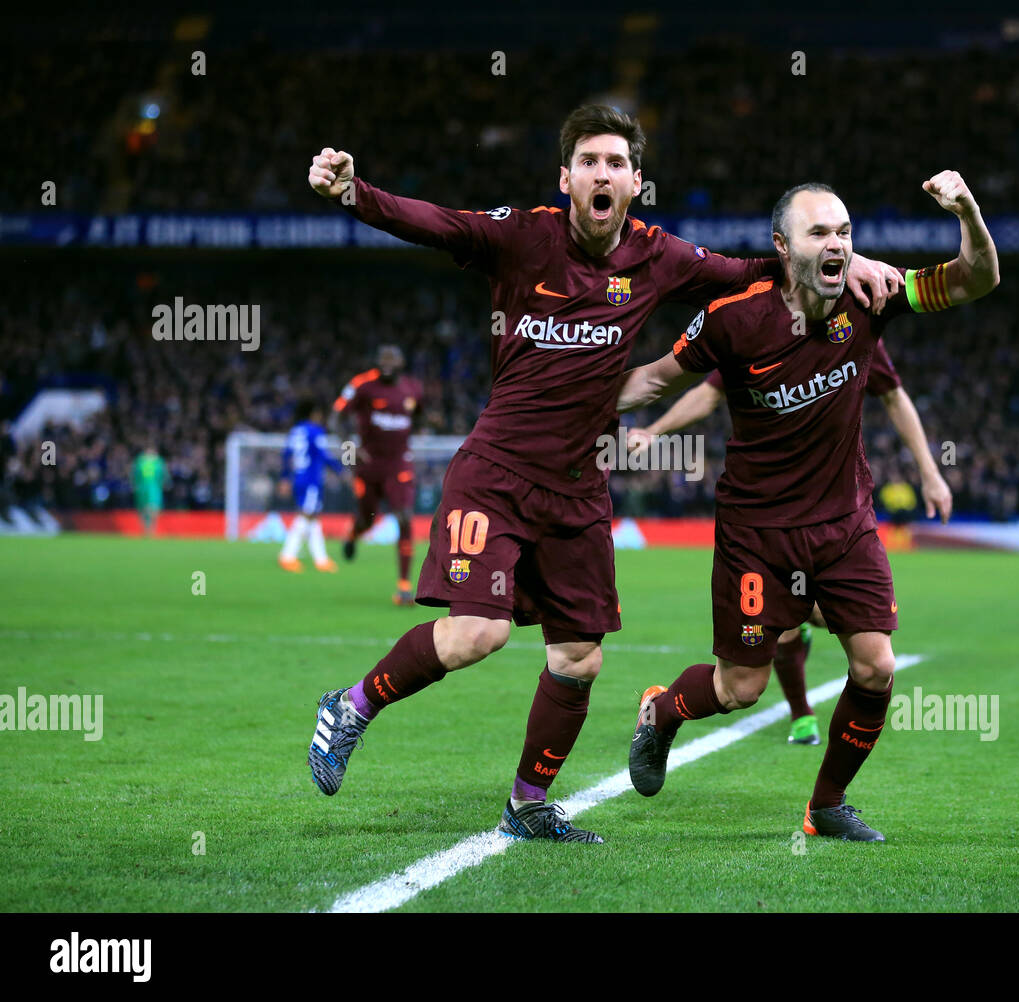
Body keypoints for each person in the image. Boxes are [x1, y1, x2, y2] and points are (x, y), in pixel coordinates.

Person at [303, 103, 903, 843]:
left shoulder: (657, 256)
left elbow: (754, 271)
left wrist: (850, 262)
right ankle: (352, 705)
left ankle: (527, 807)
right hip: (496, 472)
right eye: (589, 161)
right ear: (566, 177)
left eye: (616, 163)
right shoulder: (523, 236)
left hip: (582, 486)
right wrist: (357, 193)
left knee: (578, 659)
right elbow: (437, 223)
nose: (602, 173)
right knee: (478, 634)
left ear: (635, 182)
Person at [617, 171, 998, 841]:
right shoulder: (735, 316)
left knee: (875, 665)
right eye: (819, 232)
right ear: (781, 244)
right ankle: (662, 712)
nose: (836, 244)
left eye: (845, 232)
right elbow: (656, 379)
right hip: (757, 535)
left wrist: (966, 210)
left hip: (845, 525)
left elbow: (976, 282)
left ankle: (826, 806)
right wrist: (565, 399)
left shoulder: (871, 297)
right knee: (740, 690)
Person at [624, 339, 952, 745]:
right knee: (751, 674)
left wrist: (930, 471)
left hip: (834, 523)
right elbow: (708, 393)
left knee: (858, 641)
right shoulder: (754, 327)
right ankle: (799, 714)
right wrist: (654, 431)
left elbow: (894, 395)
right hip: (765, 525)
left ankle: (824, 790)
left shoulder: (856, 324)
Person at [331, 345, 424, 604]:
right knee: (367, 520)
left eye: (392, 359)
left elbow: (419, 416)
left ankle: (404, 587)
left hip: (399, 464)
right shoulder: (362, 385)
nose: (387, 363)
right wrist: (351, 448)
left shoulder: (413, 388)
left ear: (402, 362)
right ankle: (353, 534)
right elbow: (335, 418)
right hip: (369, 465)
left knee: (404, 517)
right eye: (383, 359)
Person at [278, 399, 343, 573]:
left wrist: (284, 478)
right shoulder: (315, 431)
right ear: (314, 413)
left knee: (312, 517)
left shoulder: (296, 431)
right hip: (311, 479)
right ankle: (287, 556)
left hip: (298, 477)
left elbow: (286, 455)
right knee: (306, 516)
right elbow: (324, 454)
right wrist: (340, 469)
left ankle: (321, 559)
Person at [131, 444, 169, 536]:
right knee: (143, 508)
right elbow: (134, 473)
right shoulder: (140, 461)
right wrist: (134, 484)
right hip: (142, 488)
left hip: (155, 488)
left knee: (154, 507)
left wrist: (165, 483)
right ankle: (145, 528)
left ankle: (152, 529)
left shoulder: (159, 461)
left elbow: (164, 474)